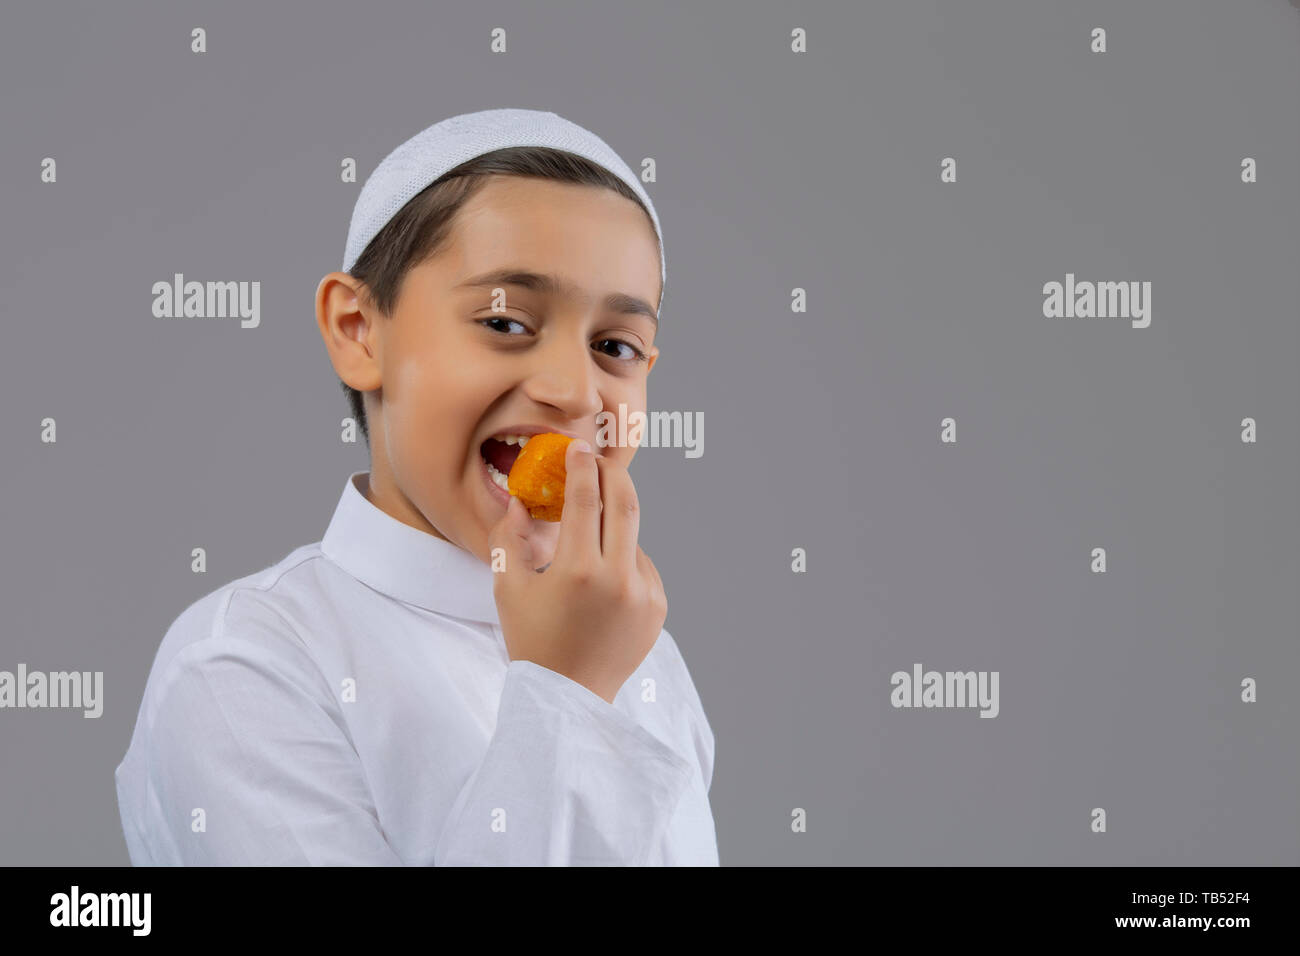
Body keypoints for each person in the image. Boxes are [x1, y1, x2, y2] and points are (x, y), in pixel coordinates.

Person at [113, 108, 719, 865]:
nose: (575, 391)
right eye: (505, 323)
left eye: (615, 346)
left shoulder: (646, 659)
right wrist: (568, 692)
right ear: (359, 330)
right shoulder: (244, 664)